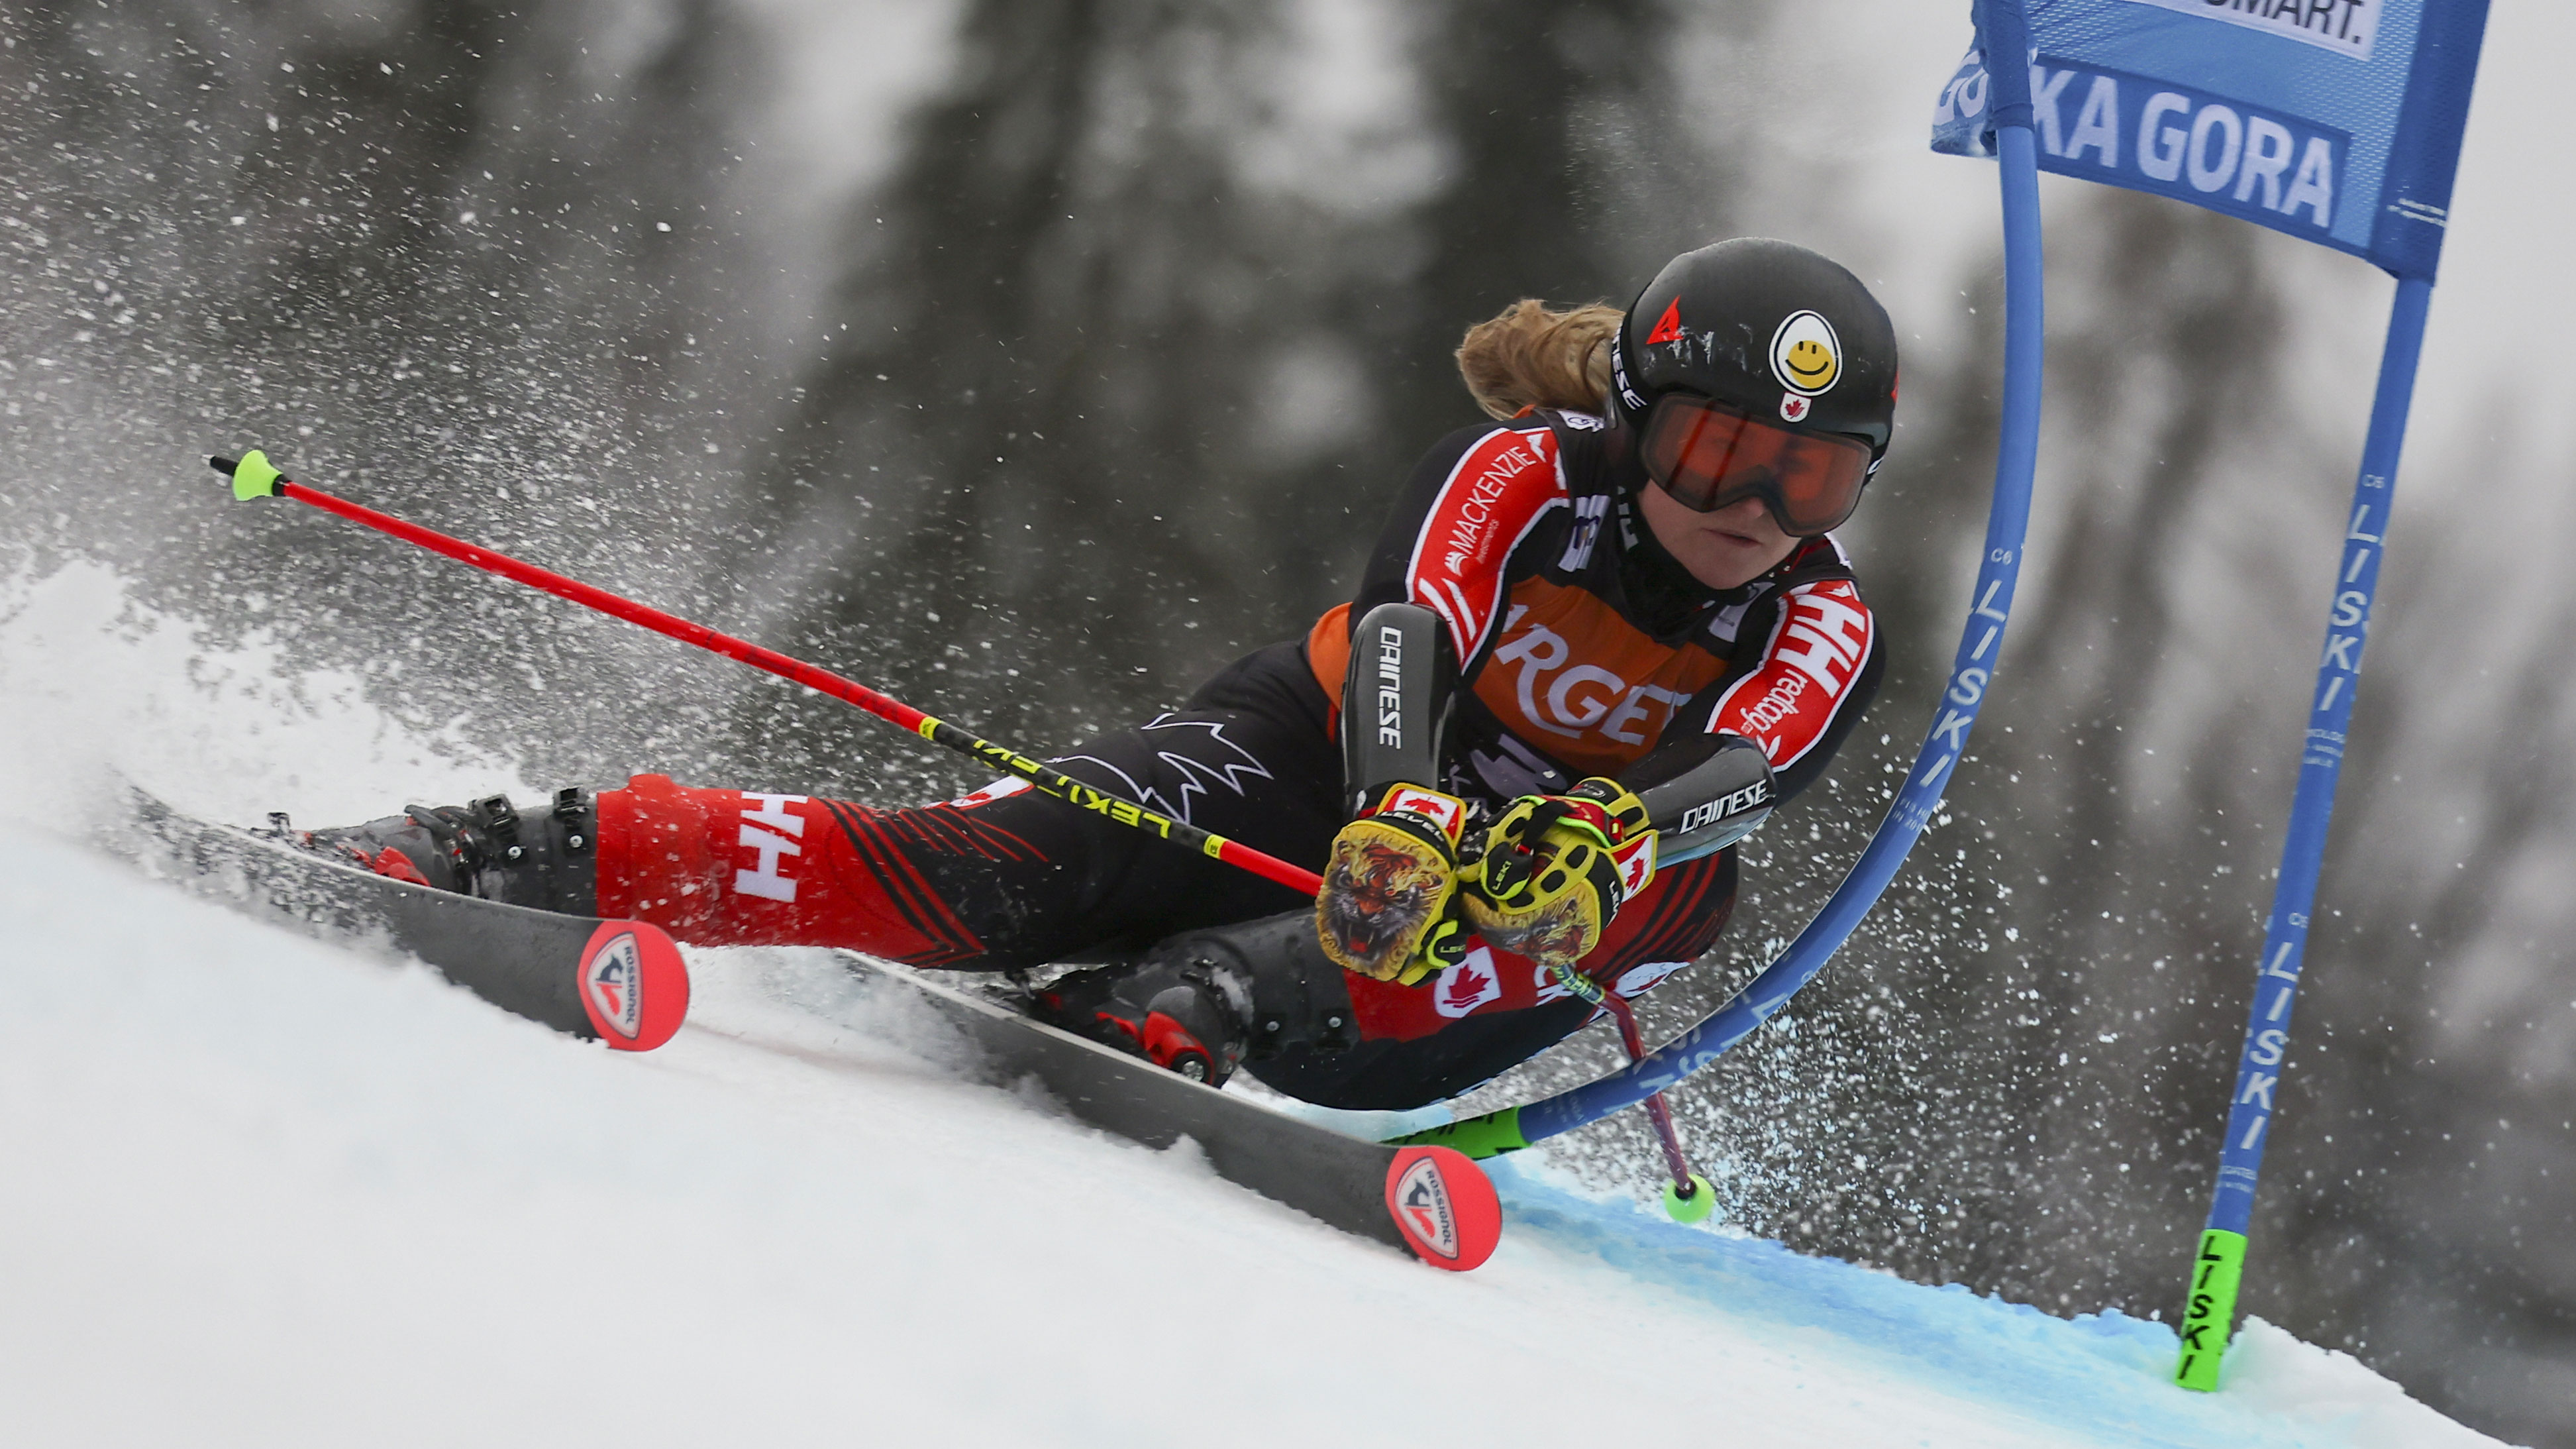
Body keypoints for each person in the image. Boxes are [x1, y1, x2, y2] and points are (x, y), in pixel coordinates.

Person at [309, 237, 1896, 1112]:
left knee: (1582, 886)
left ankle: (1198, 994)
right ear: (1636, 411)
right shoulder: (1524, 473)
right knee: (1013, 868)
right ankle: (546, 849)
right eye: (1718, 450)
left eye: (1810, 482)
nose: (1750, 512)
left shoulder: (1820, 617)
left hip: (1566, 882)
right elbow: (1409, 621)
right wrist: (1403, 796)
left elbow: (1755, 756)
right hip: (1319, 749)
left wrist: (1611, 821)